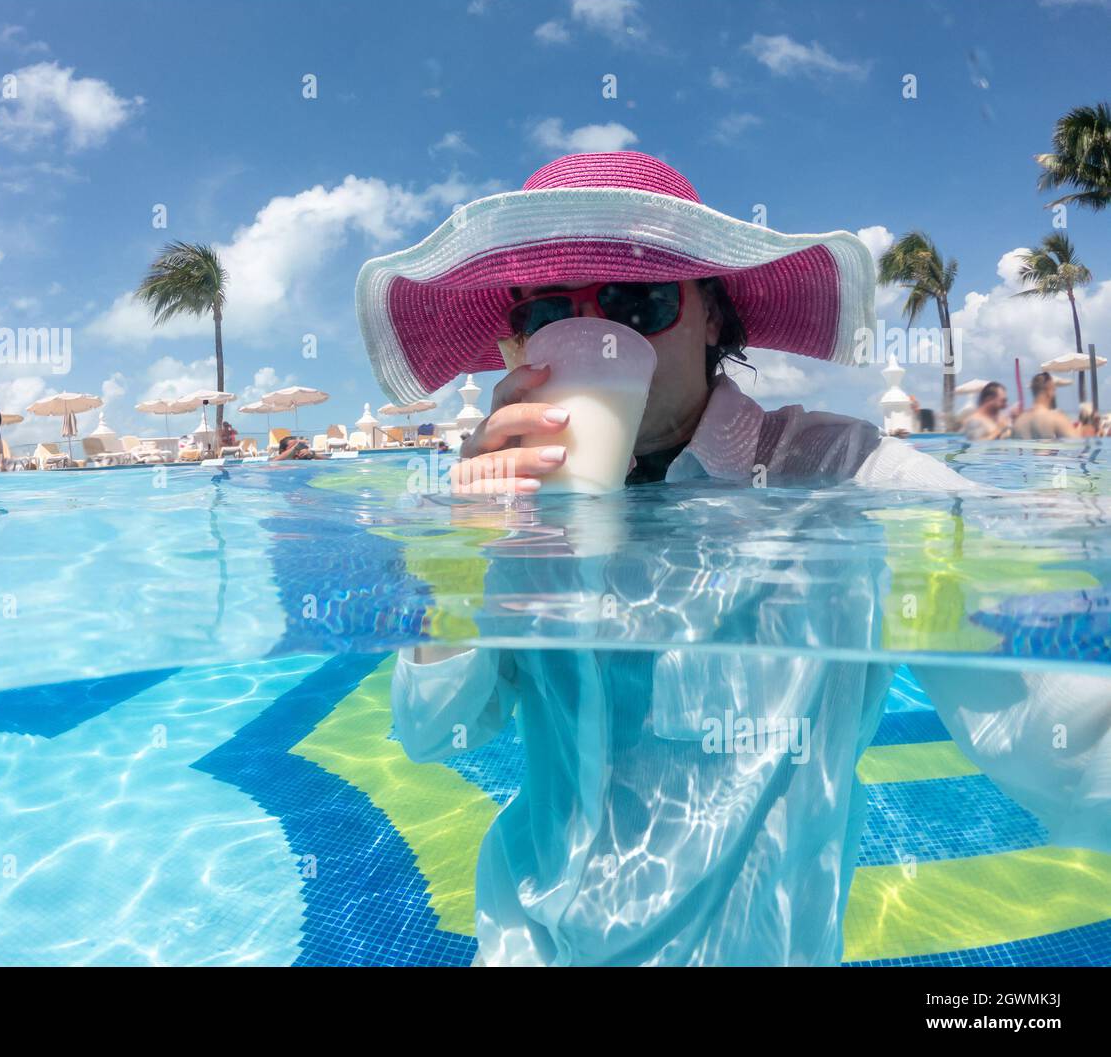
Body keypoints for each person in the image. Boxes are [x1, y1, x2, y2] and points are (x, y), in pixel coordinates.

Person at [354, 151, 1111, 966]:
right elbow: (433, 732)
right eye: (551, 312)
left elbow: (1067, 712)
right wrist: (458, 560)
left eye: (635, 299)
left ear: (713, 314)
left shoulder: (843, 480)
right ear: (521, 344)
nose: (600, 339)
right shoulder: (500, 512)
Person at [1010, 372, 1077, 439]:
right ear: (1049, 389)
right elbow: (1076, 442)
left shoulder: (1018, 422)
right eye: (1054, 390)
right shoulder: (1055, 418)